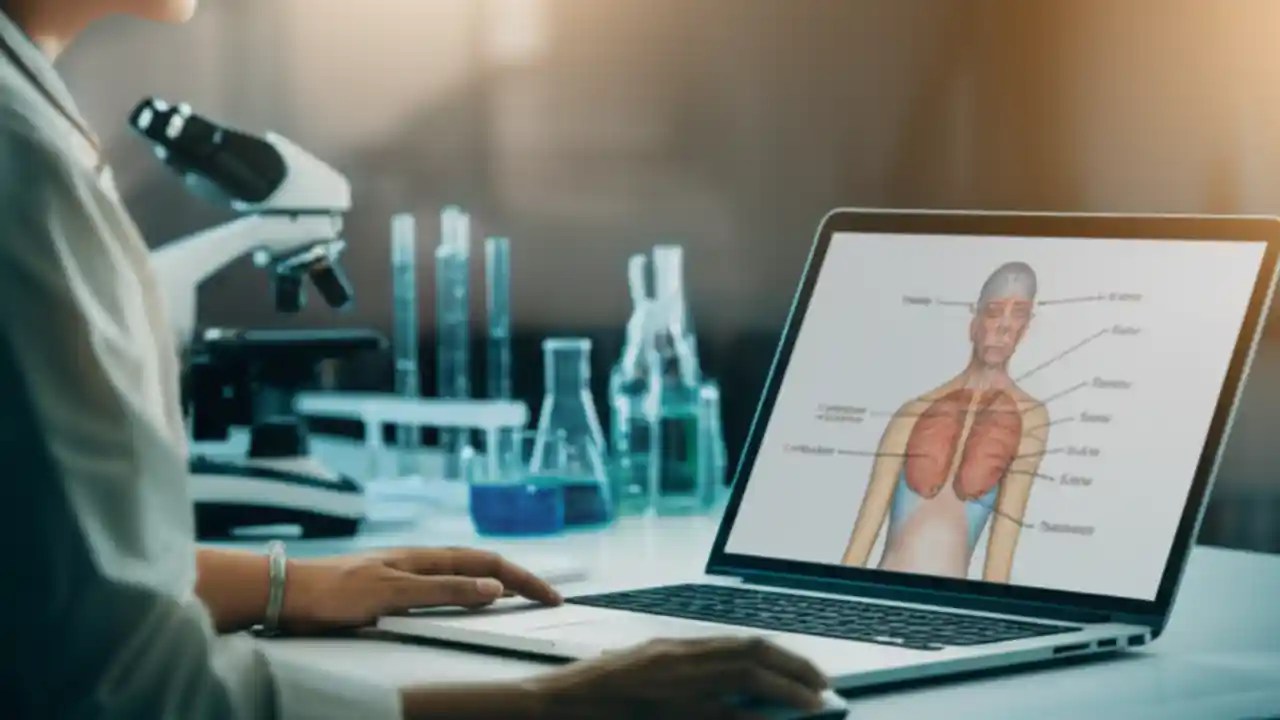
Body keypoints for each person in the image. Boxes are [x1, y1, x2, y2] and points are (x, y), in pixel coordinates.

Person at [0, 1, 828, 717]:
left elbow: (40, 576)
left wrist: (292, 584)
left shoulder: (28, 128)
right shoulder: (23, 169)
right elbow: (134, 696)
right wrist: (553, 705)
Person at [841, 261, 1050, 583]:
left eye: (1018, 314)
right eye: (994, 312)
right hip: (882, 592)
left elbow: (1001, 556)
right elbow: (859, 546)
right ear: (975, 321)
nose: (1004, 327)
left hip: (950, 602)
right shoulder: (913, 412)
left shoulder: (1030, 417)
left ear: (1027, 326)